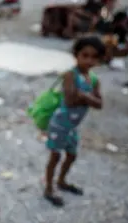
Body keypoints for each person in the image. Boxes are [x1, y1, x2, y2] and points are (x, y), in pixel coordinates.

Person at [44, 36, 104, 207]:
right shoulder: (71, 74)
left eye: (94, 57)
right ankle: (49, 188)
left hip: (72, 126)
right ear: (76, 55)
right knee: (55, 156)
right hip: (60, 123)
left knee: (71, 155)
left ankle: (61, 181)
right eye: (85, 55)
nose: (89, 60)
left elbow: (100, 104)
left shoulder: (93, 79)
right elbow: (70, 100)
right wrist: (89, 97)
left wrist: (83, 96)